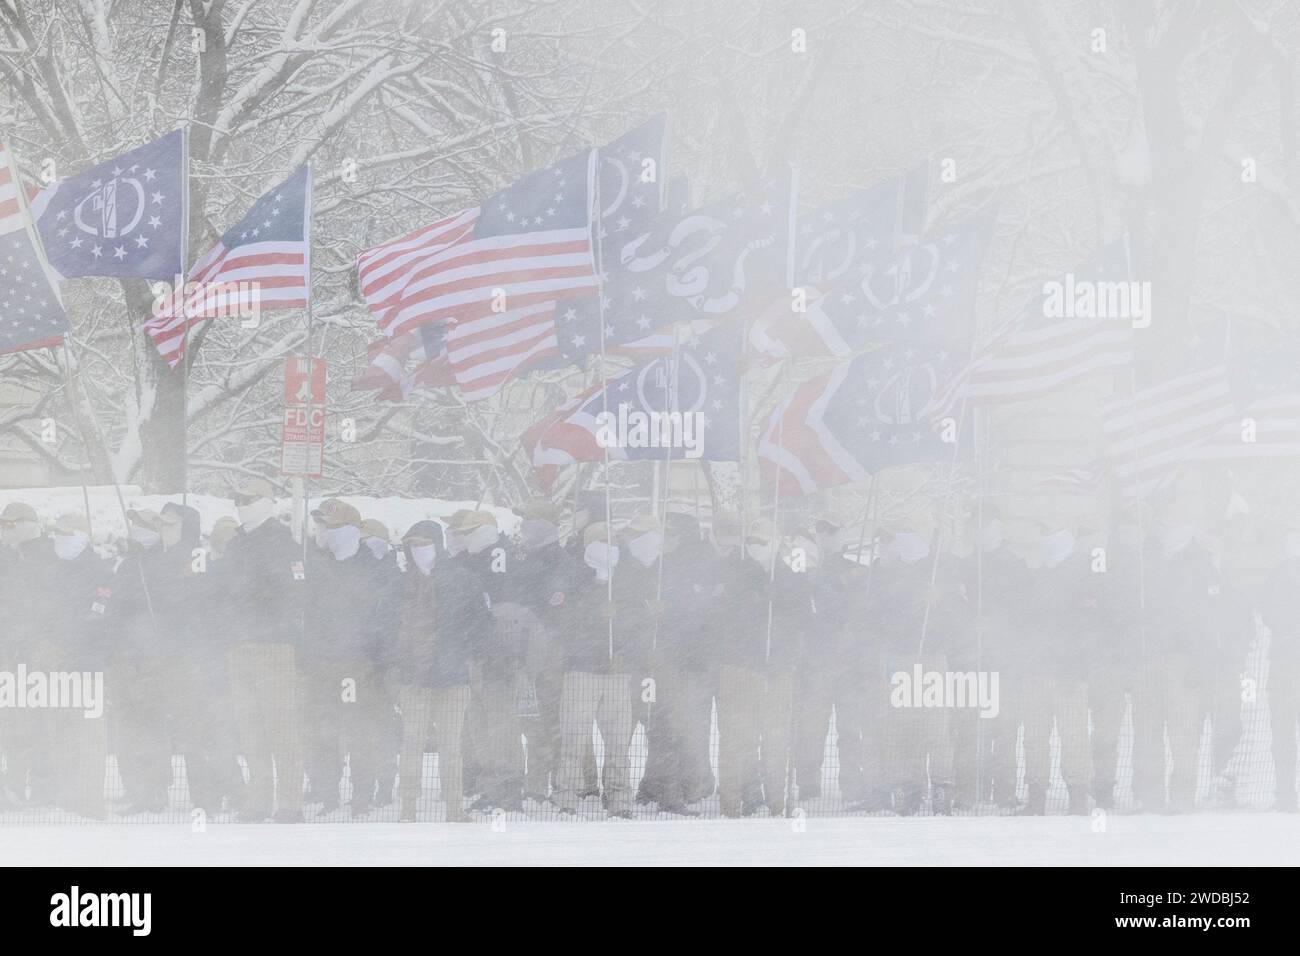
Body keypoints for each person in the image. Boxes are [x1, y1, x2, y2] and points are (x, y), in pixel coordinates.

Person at [500, 498, 594, 804]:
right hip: (527, 653)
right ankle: (557, 779)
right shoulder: (529, 561)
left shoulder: (561, 565)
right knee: (535, 718)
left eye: (529, 521)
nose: (523, 527)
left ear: (544, 526)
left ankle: (556, 781)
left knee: (548, 719)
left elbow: (564, 613)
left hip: (549, 655)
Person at [223, 478, 306, 822]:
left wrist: (269, 621)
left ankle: (289, 803)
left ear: (266, 502)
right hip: (240, 646)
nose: (241, 503)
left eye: (248, 497)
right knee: (250, 729)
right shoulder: (236, 543)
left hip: (273, 647)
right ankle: (257, 800)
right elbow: (223, 591)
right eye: (237, 497)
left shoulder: (281, 542)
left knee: (281, 728)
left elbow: (295, 594)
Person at [716, 518, 803, 817]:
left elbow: (801, 620)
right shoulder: (734, 573)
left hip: (778, 671)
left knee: (778, 741)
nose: (755, 547)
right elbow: (724, 619)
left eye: (762, 541)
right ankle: (731, 803)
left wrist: (784, 658)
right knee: (737, 740)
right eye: (750, 541)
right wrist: (754, 603)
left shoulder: (789, 576)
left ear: (776, 543)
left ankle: (780, 803)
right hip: (739, 669)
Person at [395, 520, 479, 821]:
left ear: (437, 544)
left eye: (422, 544)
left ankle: (454, 807)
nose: (418, 551)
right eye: (412, 546)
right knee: (411, 743)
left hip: (452, 676)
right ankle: (407, 807)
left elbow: (479, 623)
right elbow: (391, 627)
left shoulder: (460, 579)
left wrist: (460, 651)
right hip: (414, 677)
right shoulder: (402, 583)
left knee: (451, 746)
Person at [555, 521, 635, 817]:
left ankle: (619, 797)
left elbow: (638, 621)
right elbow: (563, 621)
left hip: (617, 671)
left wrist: (621, 629)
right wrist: (595, 614)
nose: (607, 547)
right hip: (581, 669)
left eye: (611, 542)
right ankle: (567, 796)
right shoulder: (574, 577)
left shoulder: (625, 580)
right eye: (600, 541)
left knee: (617, 742)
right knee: (574, 738)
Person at [1021, 526, 1097, 815]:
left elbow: (1086, 629)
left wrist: (1074, 668)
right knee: (1034, 737)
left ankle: (1078, 794)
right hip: (1036, 670)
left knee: (1074, 734)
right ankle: (1036, 794)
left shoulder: (1082, 577)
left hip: (1069, 674)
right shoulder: (1036, 576)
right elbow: (1024, 625)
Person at [0, 502, 58, 807]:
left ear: (27, 524)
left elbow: (51, 603)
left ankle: (45, 786)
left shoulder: (47, 554)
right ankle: (13, 785)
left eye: (9, 524)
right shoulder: (8, 557)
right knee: (14, 722)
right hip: (11, 651)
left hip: (39, 651)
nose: (3, 530)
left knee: (40, 721)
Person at [1262, 526, 1300, 812]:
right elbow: (1270, 612)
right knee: (1283, 727)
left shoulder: (1276, 574)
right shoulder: (1278, 575)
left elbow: (1269, 612)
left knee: (1283, 728)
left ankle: (1286, 792)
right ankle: (1285, 791)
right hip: (1285, 660)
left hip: (1284, 658)